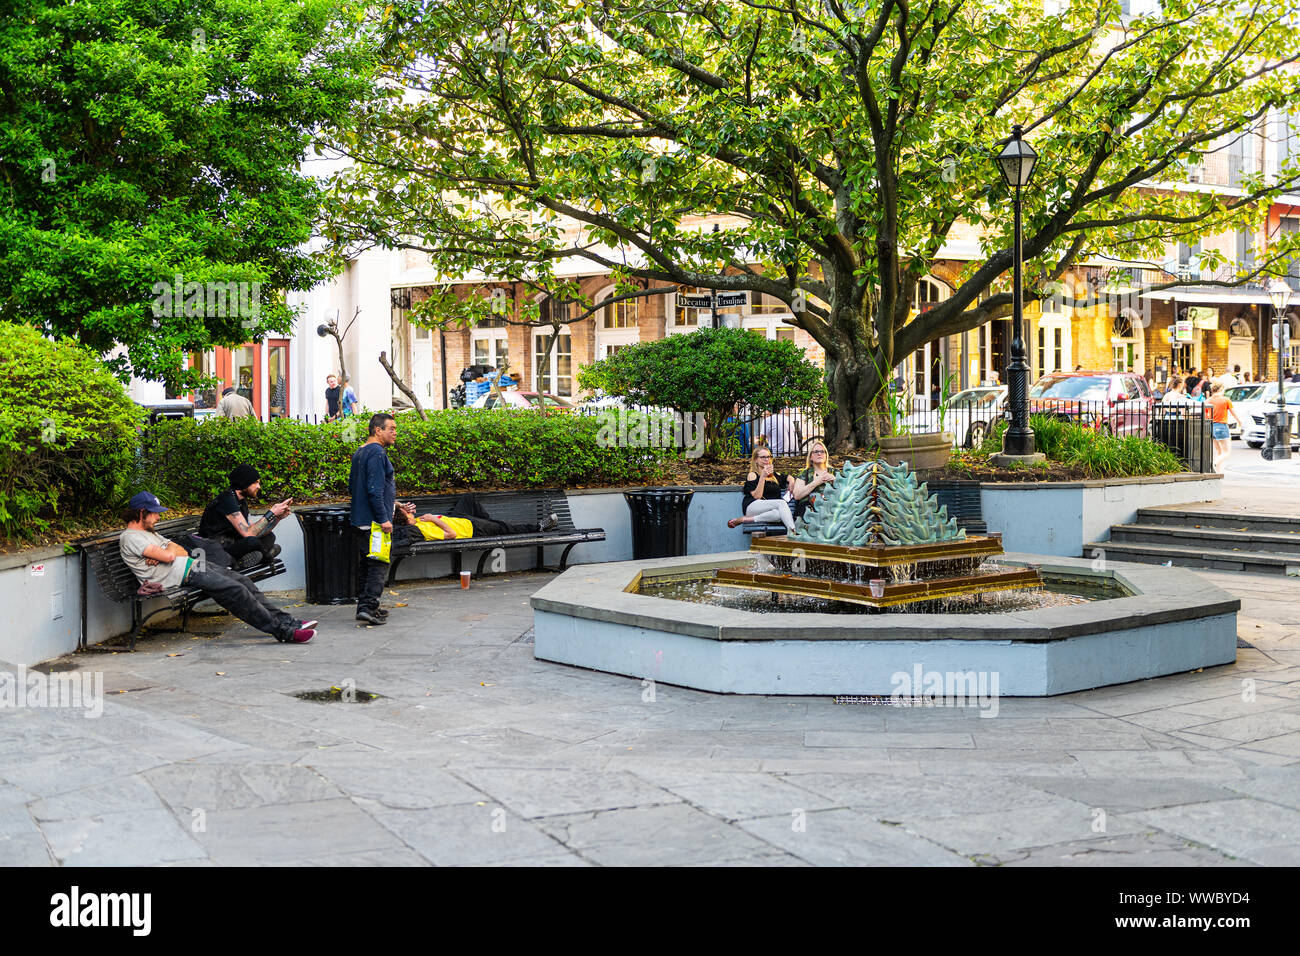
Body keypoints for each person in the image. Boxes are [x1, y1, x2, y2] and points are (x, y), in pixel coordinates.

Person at [119, 492, 315, 644]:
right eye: (154, 513)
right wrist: (167, 551)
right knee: (235, 591)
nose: (158, 517)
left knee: (243, 581)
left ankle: (288, 621)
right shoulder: (131, 537)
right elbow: (171, 554)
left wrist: (165, 551)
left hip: (193, 565)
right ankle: (283, 632)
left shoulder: (149, 533)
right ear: (142, 512)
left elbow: (180, 551)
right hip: (185, 575)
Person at [350, 413, 397, 625]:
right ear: (378, 430)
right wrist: (384, 519)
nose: (395, 433)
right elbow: (374, 490)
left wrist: (394, 504)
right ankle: (369, 607)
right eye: (391, 429)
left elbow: (354, 487)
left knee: (366, 565)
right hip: (375, 522)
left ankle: (366, 607)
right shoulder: (377, 453)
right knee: (378, 564)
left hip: (360, 518)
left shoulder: (360, 452)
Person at [198, 465, 292, 570]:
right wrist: (271, 512)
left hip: (232, 542)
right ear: (244, 482)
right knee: (252, 542)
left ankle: (252, 558)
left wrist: (277, 518)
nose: (259, 486)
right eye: (255, 482)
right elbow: (248, 534)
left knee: (270, 536)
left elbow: (254, 531)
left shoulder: (241, 501)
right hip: (216, 549)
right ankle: (265, 556)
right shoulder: (227, 500)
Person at [392, 493, 557, 548]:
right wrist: (433, 518)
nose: (409, 511)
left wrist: (399, 506)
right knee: (505, 527)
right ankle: (539, 527)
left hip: (460, 518)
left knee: (468, 498)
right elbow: (451, 534)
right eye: (406, 512)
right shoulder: (421, 529)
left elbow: (391, 504)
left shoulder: (417, 522)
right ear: (405, 518)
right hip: (470, 529)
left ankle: (491, 525)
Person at [727, 442, 796, 534]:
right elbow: (757, 496)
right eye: (763, 457)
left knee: (778, 514)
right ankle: (793, 532)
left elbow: (788, 477)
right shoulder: (753, 475)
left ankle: (746, 519)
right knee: (781, 503)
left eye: (768, 457)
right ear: (756, 459)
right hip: (752, 506)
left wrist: (791, 482)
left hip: (768, 509)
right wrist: (763, 476)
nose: (766, 459)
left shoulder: (774, 475)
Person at [791, 440, 835, 522]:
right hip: (808, 508)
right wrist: (816, 482)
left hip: (830, 507)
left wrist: (835, 482)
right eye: (816, 452)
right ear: (810, 457)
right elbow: (797, 495)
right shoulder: (805, 473)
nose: (819, 454)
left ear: (826, 455)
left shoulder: (835, 473)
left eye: (822, 451)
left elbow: (846, 493)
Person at [1206, 382, 1245, 473]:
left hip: (1211, 427)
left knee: (1219, 451)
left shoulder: (1208, 400)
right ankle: (1214, 463)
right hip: (1221, 426)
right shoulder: (1225, 400)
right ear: (1220, 390)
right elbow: (1234, 413)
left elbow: (1206, 414)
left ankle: (1218, 472)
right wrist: (1240, 422)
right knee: (1226, 452)